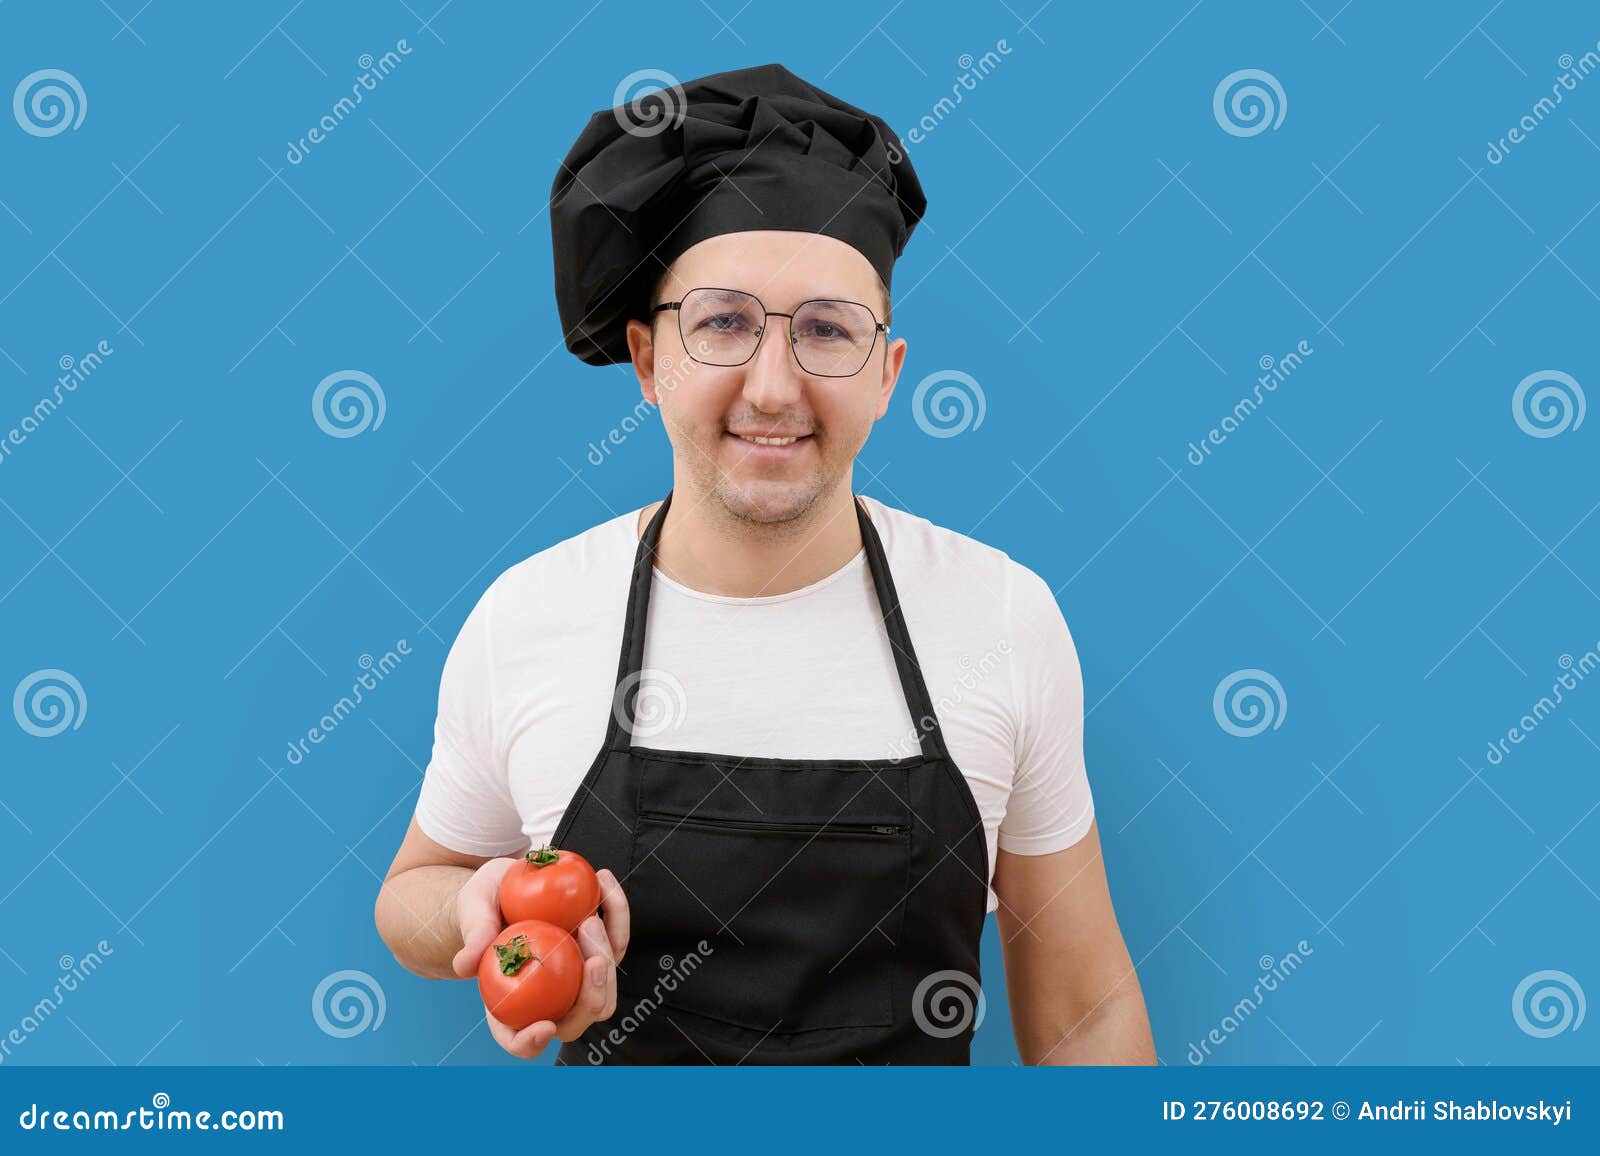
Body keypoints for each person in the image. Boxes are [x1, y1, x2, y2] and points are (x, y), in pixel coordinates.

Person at [375, 62, 1154, 1065]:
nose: (774, 386)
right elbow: (412, 894)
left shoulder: (1000, 616)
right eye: (724, 323)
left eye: (827, 329)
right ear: (651, 362)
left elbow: (1084, 1008)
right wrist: (475, 907)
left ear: (887, 375)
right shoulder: (530, 615)